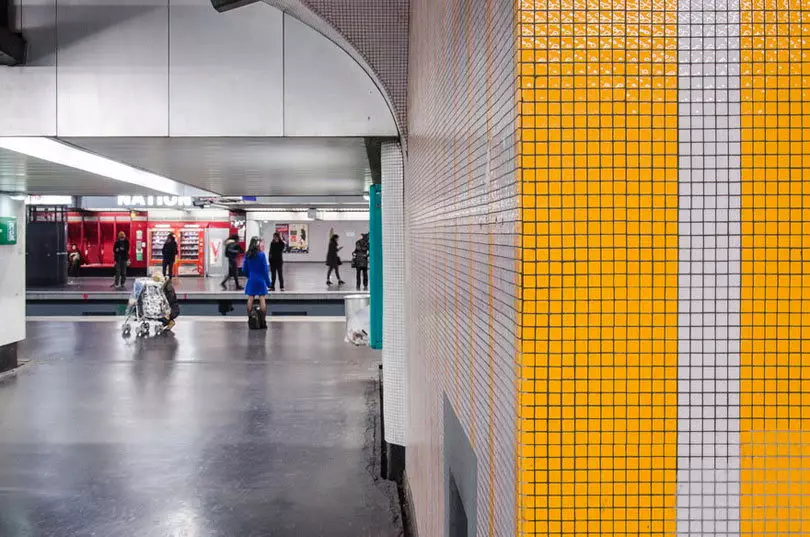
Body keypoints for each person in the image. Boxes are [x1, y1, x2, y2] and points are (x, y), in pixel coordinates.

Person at [242, 236, 271, 328]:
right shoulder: (262, 255)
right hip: (261, 279)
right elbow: (265, 270)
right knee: (262, 298)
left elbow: (244, 269)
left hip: (252, 279)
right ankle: (263, 320)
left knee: (250, 298)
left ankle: (250, 319)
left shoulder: (247, 255)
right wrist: (268, 283)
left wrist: (249, 276)